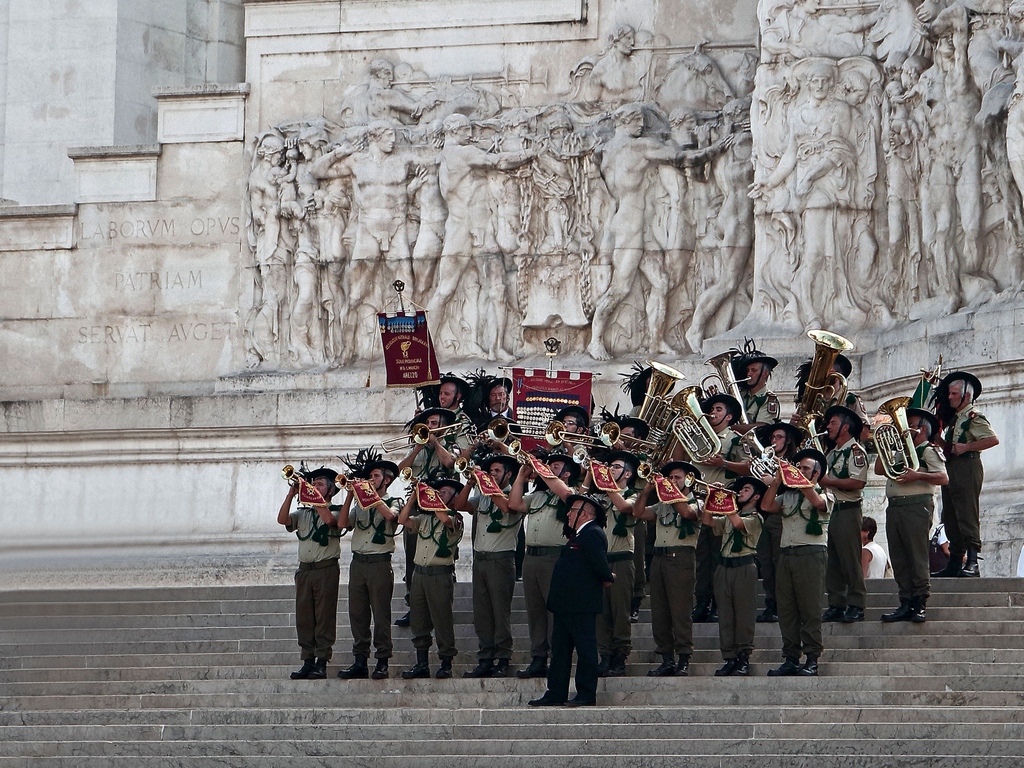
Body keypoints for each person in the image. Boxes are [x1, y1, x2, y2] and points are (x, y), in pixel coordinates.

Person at [528, 494, 615, 707]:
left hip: (581, 605)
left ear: (584, 514)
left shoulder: (593, 533)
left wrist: (608, 577)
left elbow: (601, 566)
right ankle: (555, 692)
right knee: (560, 652)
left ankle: (586, 694)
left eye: (572, 510)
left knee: (585, 650)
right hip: (565, 604)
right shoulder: (578, 535)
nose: (567, 514)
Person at [760, 448, 834, 677]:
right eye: (798, 467)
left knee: (810, 609)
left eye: (805, 469)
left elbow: (818, 503)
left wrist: (803, 482)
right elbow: (766, 506)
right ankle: (791, 657)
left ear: (816, 473)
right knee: (787, 609)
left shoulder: (826, 492)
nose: (799, 471)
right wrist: (777, 481)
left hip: (810, 555)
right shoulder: (788, 496)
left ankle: (812, 657)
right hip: (787, 554)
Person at [509, 452, 581, 679]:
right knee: (535, 610)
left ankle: (558, 657)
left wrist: (541, 469)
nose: (548, 468)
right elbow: (514, 503)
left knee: (555, 611)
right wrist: (521, 475)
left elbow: (565, 493)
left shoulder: (572, 493)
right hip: (532, 558)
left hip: (555, 557)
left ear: (567, 473)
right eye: (548, 465)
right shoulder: (538, 496)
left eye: (556, 466)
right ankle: (538, 657)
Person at [394, 406, 468, 627]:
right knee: (412, 557)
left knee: (444, 555)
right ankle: (413, 606)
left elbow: (451, 464)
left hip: (443, 508)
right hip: (418, 508)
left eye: (435, 423)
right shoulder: (418, 448)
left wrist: (435, 442)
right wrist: (416, 449)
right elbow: (399, 471)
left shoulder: (451, 446)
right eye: (429, 423)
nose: (430, 427)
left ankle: (442, 605)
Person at [452, 454, 523, 678]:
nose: (492, 475)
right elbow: (460, 505)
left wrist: (488, 485)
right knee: (482, 613)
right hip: (481, 559)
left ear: (508, 474)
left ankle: (503, 657)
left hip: (501, 560)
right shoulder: (482, 494)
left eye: (497, 471)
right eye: (490, 471)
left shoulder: (514, 494)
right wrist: (470, 483)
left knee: (499, 612)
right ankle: (485, 656)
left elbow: (506, 507)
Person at [875, 408, 948, 622]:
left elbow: (943, 477)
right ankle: (905, 601)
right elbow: (880, 469)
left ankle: (919, 602)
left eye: (910, 425)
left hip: (917, 506)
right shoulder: (903, 451)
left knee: (916, 556)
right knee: (899, 557)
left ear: (922, 429)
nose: (904, 428)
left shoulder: (928, 450)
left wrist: (918, 475)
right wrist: (885, 447)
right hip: (895, 506)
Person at [631, 460, 702, 676]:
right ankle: (666, 658)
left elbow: (688, 513)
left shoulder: (697, 501)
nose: (672, 481)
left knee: (680, 611)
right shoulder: (662, 504)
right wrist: (647, 490)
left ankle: (683, 657)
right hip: (660, 559)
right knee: (659, 613)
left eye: (677, 478)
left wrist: (670, 491)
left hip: (680, 558)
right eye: (670, 478)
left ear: (688, 480)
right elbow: (638, 513)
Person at [335, 456, 402, 680]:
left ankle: (382, 659)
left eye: (375, 476)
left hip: (379, 563)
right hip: (358, 563)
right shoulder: (359, 504)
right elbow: (343, 523)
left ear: (387, 480)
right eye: (370, 476)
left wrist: (371, 496)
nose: (371, 480)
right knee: (358, 613)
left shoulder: (394, 500)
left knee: (381, 613)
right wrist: (349, 497)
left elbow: (392, 516)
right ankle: (360, 660)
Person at [277, 468, 342, 680]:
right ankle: (307, 660)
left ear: (331, 489)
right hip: (305, 570)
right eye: (313, 484)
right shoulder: (303, 513)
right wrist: (292, 494)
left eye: (321, 484)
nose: (315, 487)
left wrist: (313, 498)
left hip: (325, 569)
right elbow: (282, 519)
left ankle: (322, 661)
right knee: (304, 618)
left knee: (324, 617)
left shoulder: (337, 510)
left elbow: (331, 522)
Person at [398, 476, 465, 680]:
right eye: (439, 491)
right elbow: (402, 520)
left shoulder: (456, 518)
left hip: (440, 575)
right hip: (420, 574)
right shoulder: (425, 519)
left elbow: (445, 521)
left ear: (453, 497)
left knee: (442, 620)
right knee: (419, 620)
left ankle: (446, 662)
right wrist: (413, 498)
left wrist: (433, 500)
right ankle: (421, 663)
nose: (439, 494)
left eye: (444, 492)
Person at [933, 371, 999, 577]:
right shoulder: (955, 419)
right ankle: (954, 561)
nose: (950, 397)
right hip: (952, 466)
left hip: (967, 467)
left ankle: (972, 562)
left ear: (966, 396)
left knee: (967, 514)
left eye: (954, 394)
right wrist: (938, 440)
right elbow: (951, 448)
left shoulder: (973, 417)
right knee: (951, 515)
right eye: (950, 393)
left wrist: (968, 446)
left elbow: (992, 439)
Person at [692, 393, 747, 623]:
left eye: (718, 409)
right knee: (701, 557)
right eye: (711, 409)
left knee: (717, 555)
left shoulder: (734, 439)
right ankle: (701, 601)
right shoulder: (698, 438)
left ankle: (716, 602)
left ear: (729, 415)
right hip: (696, 501)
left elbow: (747, 467)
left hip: (720, 503)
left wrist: (723, 463)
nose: (712, 413)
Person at [705, 477, 766, 677]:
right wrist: (710, 497)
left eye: (746, 489)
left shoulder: (756, 517)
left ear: (756, 496)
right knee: (725, 615)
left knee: (744, 614)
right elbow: (707, 521)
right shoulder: (731, 515)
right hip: (724, 567)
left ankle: (743, 657)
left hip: (744, 567)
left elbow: (738, 523)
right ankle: (729, 657)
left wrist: (725, 501)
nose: (740, 492)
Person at [820, 405, 869, 624]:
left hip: (847, 511)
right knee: (833, 561)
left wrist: (829, 481)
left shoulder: (855, 451)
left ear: (846, 426)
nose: (828, 426)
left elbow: (857, 482)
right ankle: (836, 603)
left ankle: (856, 604)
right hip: (830, 511)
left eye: (833, 422)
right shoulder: (832, 452)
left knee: (849, 559)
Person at [751, 422, 803, 624]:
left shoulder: (794, 462)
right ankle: (771, 602)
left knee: (779, 563)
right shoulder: (766, 459)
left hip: (784, 515)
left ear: (788, 440)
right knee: (766, 562)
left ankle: (783, 605)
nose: (773, 441)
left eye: (778, 437)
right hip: (766, 515)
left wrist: (773, 481)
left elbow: (795, 487)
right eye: (772, 438)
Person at [733, 345, 781, 433]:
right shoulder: (739, 394)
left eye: (754, 370)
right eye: (748, 370)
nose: (749, 374)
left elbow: (761, 427)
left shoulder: (769, 399)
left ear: (765, 374)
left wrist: (731, 428)